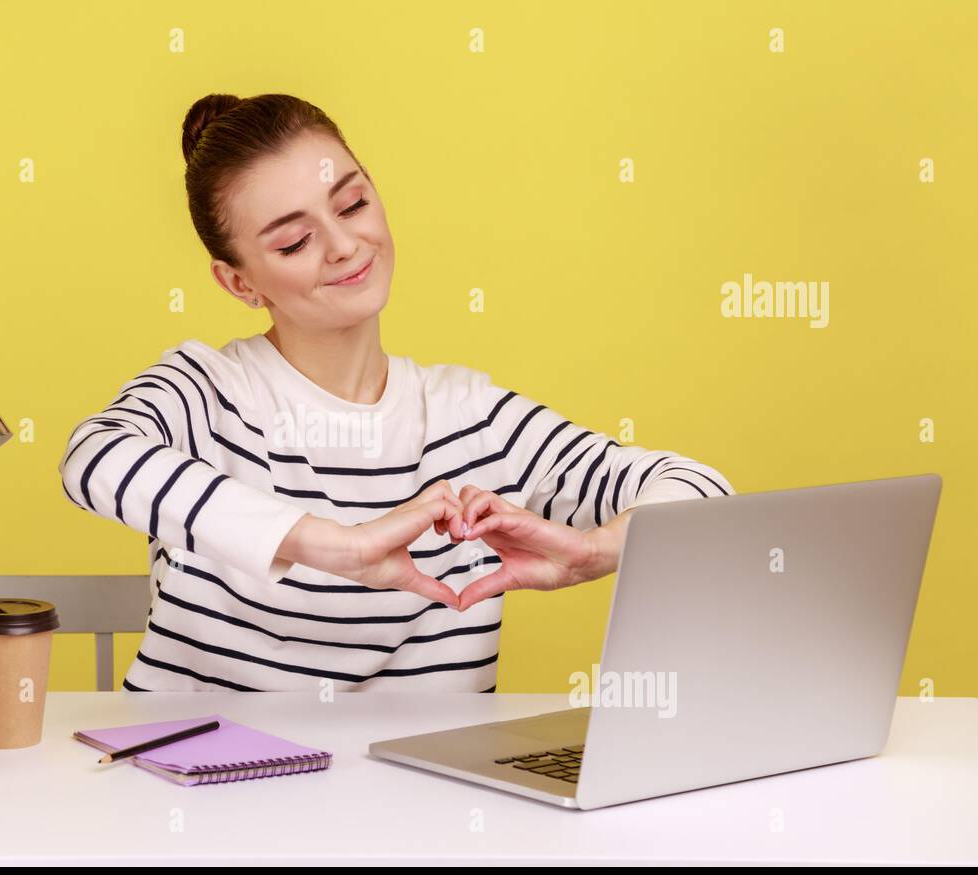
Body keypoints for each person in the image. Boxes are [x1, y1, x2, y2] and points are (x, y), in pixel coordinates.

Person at [58, 93, 734, 692]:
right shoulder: (210, 392)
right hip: (201, 799)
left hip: (417, 815)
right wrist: (334, 546)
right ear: (240, 284)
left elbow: (698, 488)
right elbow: (94, 458)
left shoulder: (471, 418)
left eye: (352, 203)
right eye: (294, 242)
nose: (346, 245)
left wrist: (595, 552)